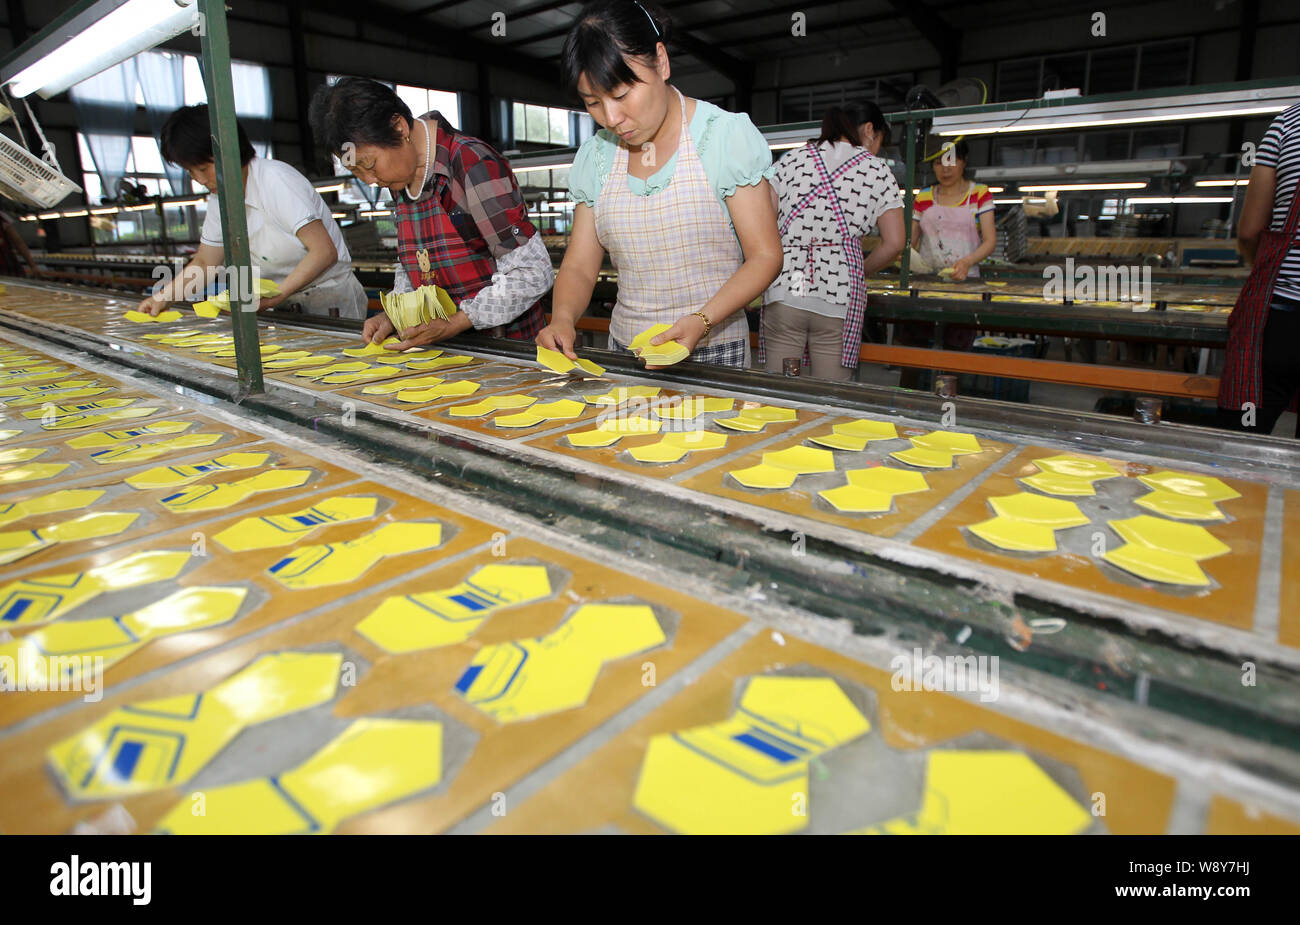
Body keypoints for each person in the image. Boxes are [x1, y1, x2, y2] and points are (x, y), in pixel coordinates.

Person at [537, 0, 782, 369]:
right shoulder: (597, 158)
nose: (612, 118)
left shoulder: (724, 139)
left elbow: (765, 256)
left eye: (620, 94)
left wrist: (702, 320)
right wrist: (562, 319)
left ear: (661, 62)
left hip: (712, 352)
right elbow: (580, 267)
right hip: (627, 354)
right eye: (593, 103)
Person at [309, 78, 552, 350]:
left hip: (505, 351)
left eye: (370, 164)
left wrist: (458, 321)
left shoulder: (471, 164)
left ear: (399, 127)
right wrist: (396, 314)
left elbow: (532, 273)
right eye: (356, 172)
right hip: (445, 351)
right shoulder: (400, 173)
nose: (370, 180)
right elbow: (412, 262)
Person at [138, 105, 368, 319]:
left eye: (203, 168)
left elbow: (324, 252)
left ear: (230, 151)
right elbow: (205, 262)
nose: (199, 179)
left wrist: (276, 295)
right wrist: (164, 296)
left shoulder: (276, 180)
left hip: (330, 301)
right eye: (190, 171)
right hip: (282, 303)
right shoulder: (221, 198)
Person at [761, 104, 904, 380]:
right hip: (839, 294)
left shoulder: (791, 160)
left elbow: (762, 223)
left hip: (786, 288)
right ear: (869, 130)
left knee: (778, 394)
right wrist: (860, 270)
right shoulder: (877, 170)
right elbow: (895, 243)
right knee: (828, 399)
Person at [1219, 100, 1300, 439]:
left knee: (1243, 440)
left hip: (1282, 319)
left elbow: (1250, 229)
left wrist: (1265, 272)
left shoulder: (1289, 123)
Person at [911, 139, 996, 280]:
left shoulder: (980, 193)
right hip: (926, 279)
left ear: (964, 160)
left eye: (951, 161)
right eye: (938, 163)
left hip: (966, 278)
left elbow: (990, 241)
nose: (945, 169)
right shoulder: (923, 196)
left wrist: (966, 262)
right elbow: (910, 241)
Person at [0, 209, 43, 279]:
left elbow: (19, 243)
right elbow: (18, 242)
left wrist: (33, 266)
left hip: (7, 268)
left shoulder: (2, 219)